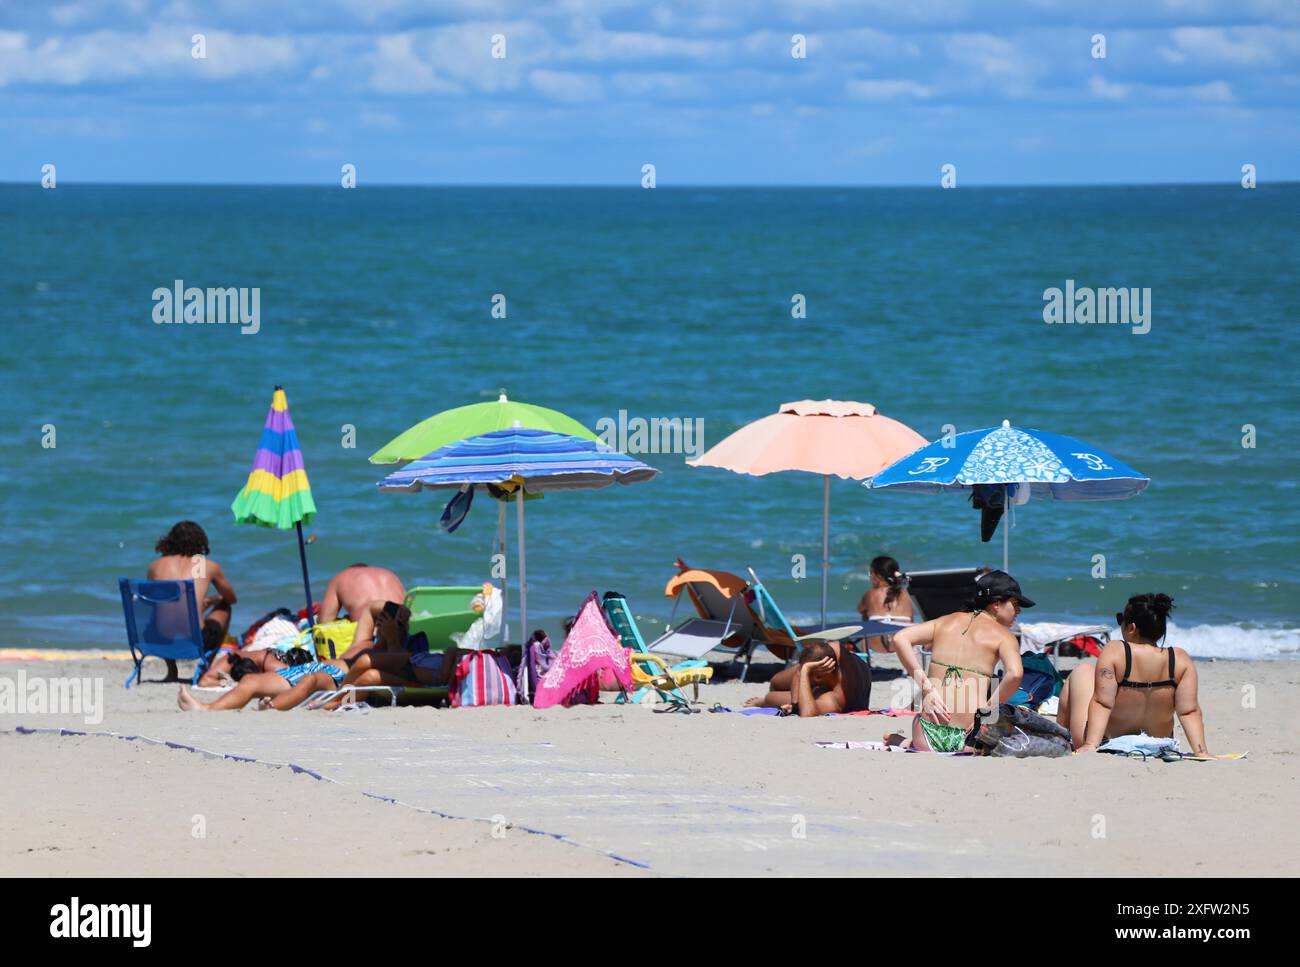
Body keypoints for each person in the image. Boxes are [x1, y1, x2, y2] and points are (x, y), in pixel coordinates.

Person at [887, 570, 1027, 752]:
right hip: (969, 739)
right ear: (996, 604)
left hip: (925, 735)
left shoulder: (945, 621)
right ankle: (906, 743)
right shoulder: (1004, 637)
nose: (1019, 611)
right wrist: (986, 711)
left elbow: (900, 638)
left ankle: (907, 743)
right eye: (1015, 604)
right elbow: (1015, 675)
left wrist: (926, 687)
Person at [1058, 593, 1208, 756]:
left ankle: (1059, 739)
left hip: (1110, 743)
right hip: (1158, 744)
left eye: (1121, 620)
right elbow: (1189, 711)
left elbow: (1102, 703)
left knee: (1082, 671)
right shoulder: (1180, 659)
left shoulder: (1116, 651)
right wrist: (1201, 752)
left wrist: (1090, 744)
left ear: (1131, 628)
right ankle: (1201, 750)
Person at [147, 521, 237, 682]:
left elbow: (156, 603)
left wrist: (203, 602)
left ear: (170, 541)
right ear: (200, 541)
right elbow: (231, 599)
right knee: (225, 607)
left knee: (164, 612)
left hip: (160, 639)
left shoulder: (156, 566)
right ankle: (205, 669)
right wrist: (213, 600)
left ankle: (172, 671)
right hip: (196, 640)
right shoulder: (205, 565)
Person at [744, 629, 873, 716]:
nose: (801, 671)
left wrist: (805, 671)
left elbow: (808, 714)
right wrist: (795, 704)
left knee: (770, 697)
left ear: (817, 677)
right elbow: (828, 645)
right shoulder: (836, 652)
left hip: (832, 690)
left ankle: (761, 702)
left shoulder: (835, 699)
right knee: (775, 682)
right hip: (827, 678)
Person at [176, 649, 347, 711]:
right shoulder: (237, 655)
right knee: (250, 680)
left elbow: (358, 686)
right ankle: (206, 708)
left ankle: (273, 708)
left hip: (333, 674)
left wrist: (332, 703)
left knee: (310, 679)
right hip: (307, 667)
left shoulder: (363, 656)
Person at [318, 564, 409, 659]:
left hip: (374, 637)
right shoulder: (389, 574)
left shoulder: (341, 576)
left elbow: (324, 621)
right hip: (405, 631)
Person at [856, 555, 913, 654]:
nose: (870, 576)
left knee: (865, 620)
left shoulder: (870, 594)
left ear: (878, 576)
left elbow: (860, 610)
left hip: (877, 651)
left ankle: (866, 654)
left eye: (871, 573)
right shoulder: (906, 594)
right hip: (906, 649)